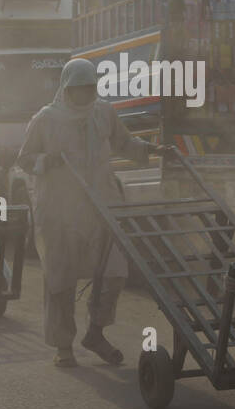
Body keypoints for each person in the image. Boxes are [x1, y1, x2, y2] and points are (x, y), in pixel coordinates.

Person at [15, 57, 168, 368]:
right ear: (66, 88)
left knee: (114, 273)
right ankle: (63, 346)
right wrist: (48, 160)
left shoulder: (103, 113)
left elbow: (124, 143)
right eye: (78, 89)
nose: (84, 95)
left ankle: (95, 333)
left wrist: (148, 150)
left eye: (89, 88)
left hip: (100, 208)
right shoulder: (46, 119)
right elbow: (25, 159)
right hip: (59, 212)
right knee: (61, 280)